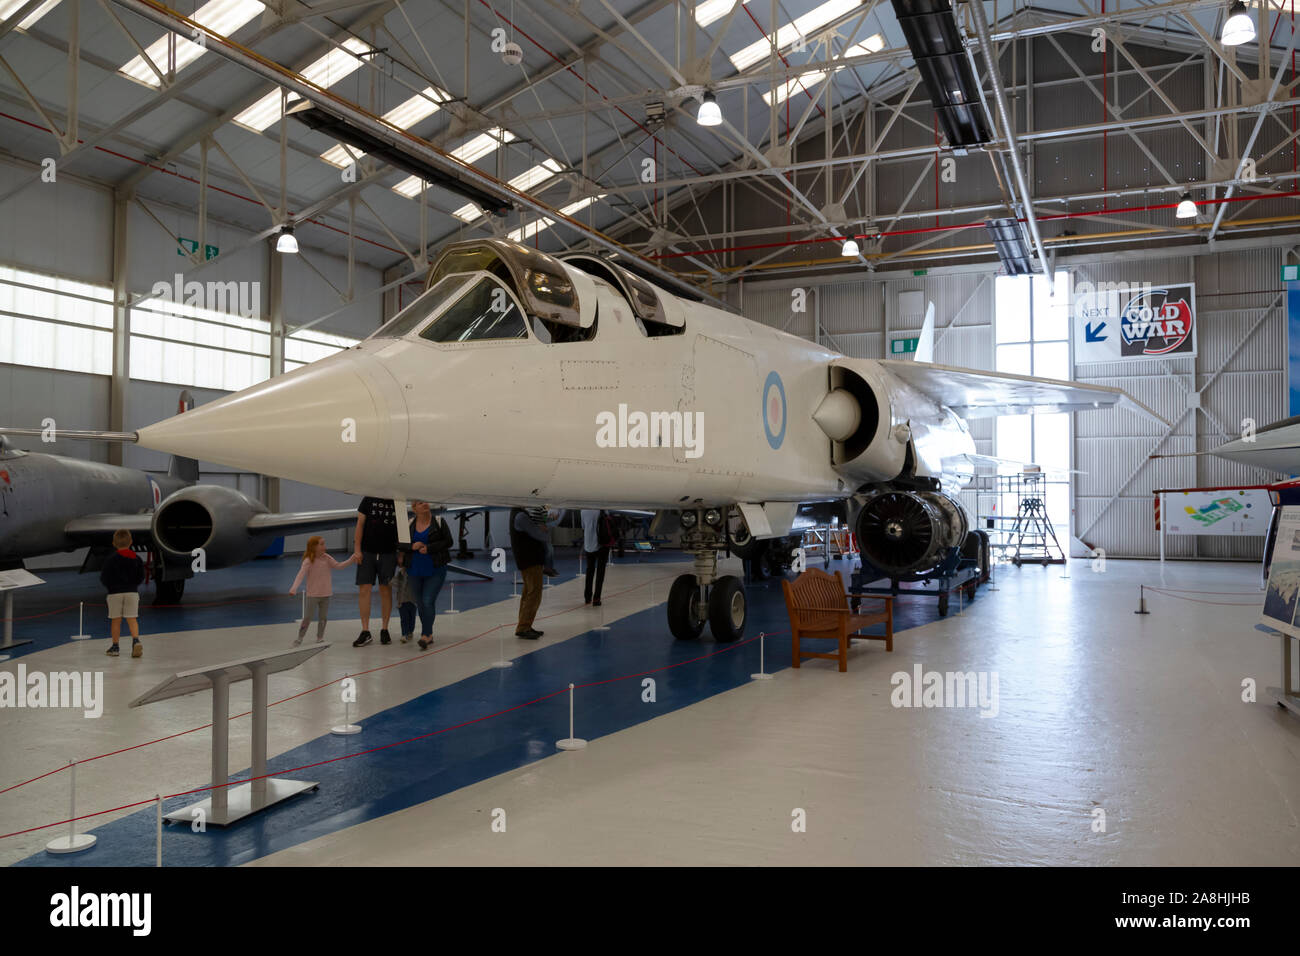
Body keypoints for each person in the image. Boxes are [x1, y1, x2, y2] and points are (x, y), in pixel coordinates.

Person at [288, 535, 358, 645]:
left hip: (326, 594)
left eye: (324, 543)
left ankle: (320, 637)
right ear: (314, 546)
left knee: (323, 618)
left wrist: (351, 559)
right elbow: (300, 575)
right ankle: (300, 638)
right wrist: (294, 588)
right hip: (313, 595)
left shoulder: (327, 558)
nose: (324, 546)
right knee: (307, 618)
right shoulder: (308, 561)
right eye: (321, 544)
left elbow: (338, 566)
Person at [407, 500, 454, 650]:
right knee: (420, 603)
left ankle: (425, 635)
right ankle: (429, 634)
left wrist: (430, 548)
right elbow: (400, 544)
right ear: (414, 508)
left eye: (425, 501)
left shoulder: (439, 522)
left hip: (436, 568)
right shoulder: (409, 524)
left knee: (427, 600)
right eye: (420, 503)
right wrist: (411, 546)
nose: (425, 504)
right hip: (414, 569)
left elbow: (449, 541)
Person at [352, 496, 398, 647]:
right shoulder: (368, 500)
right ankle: (365, 631)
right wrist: (357, 549)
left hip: (388, 553)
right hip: (367, 552)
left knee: (386, 589)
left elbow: (402, 529)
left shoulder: (397, 500)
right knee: (364, 589)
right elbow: (360, 524)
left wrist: (401, 554)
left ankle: (385, 629)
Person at [101, 529, 145, 658]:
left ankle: (115, 647)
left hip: (114, 593)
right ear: (131, 542)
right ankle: (136, 640)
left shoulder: (110, 559)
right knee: (132, 619)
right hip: (132, 592)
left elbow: (104, 577)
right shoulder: (136, 558)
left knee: (116, 620)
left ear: (114, 543)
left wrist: (110, 587)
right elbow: (141, 576)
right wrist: (133, 585)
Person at [510, 506, 552, 639]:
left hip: (527, 560)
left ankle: (524, 625)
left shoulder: (518, 514)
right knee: (534, 594)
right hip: (530, 561)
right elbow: (540, 535)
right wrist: (544, 531)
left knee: (528, 593)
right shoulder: (521, 516)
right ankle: (523, 627)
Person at [581, 508, 615, 606]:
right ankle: (596, 598)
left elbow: (583, 526)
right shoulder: (603, 510)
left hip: (589, 544)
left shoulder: (583, 510)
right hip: (602, 545)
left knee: (589, 571)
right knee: (600, 572)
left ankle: (587, 597)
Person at [392, 551, 418, 644]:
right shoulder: (400, 572)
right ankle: (404, 634)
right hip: (402, 600)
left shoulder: (415, 572)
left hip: (412, 600)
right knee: (404, 619)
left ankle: (410, 631)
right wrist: (389, 581)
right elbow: (395, 582)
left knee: (412, 618)